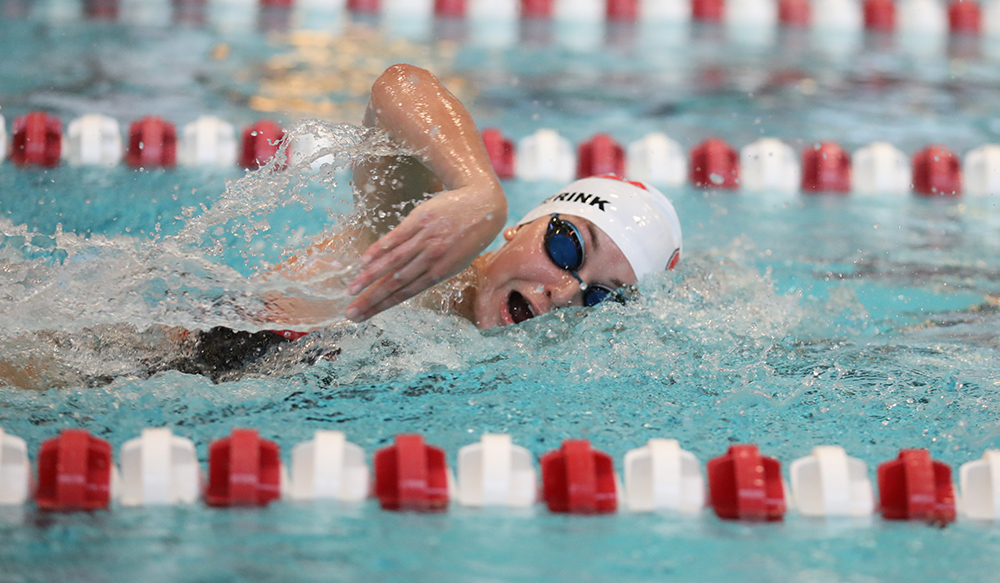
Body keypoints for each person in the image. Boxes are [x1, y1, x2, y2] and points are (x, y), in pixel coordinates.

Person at [267, 63, 683, 331]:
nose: (562, 293)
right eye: (566, 247)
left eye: (599, 297)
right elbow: (399, 85)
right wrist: (479, 190)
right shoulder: (413, 247)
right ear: (518, 227)